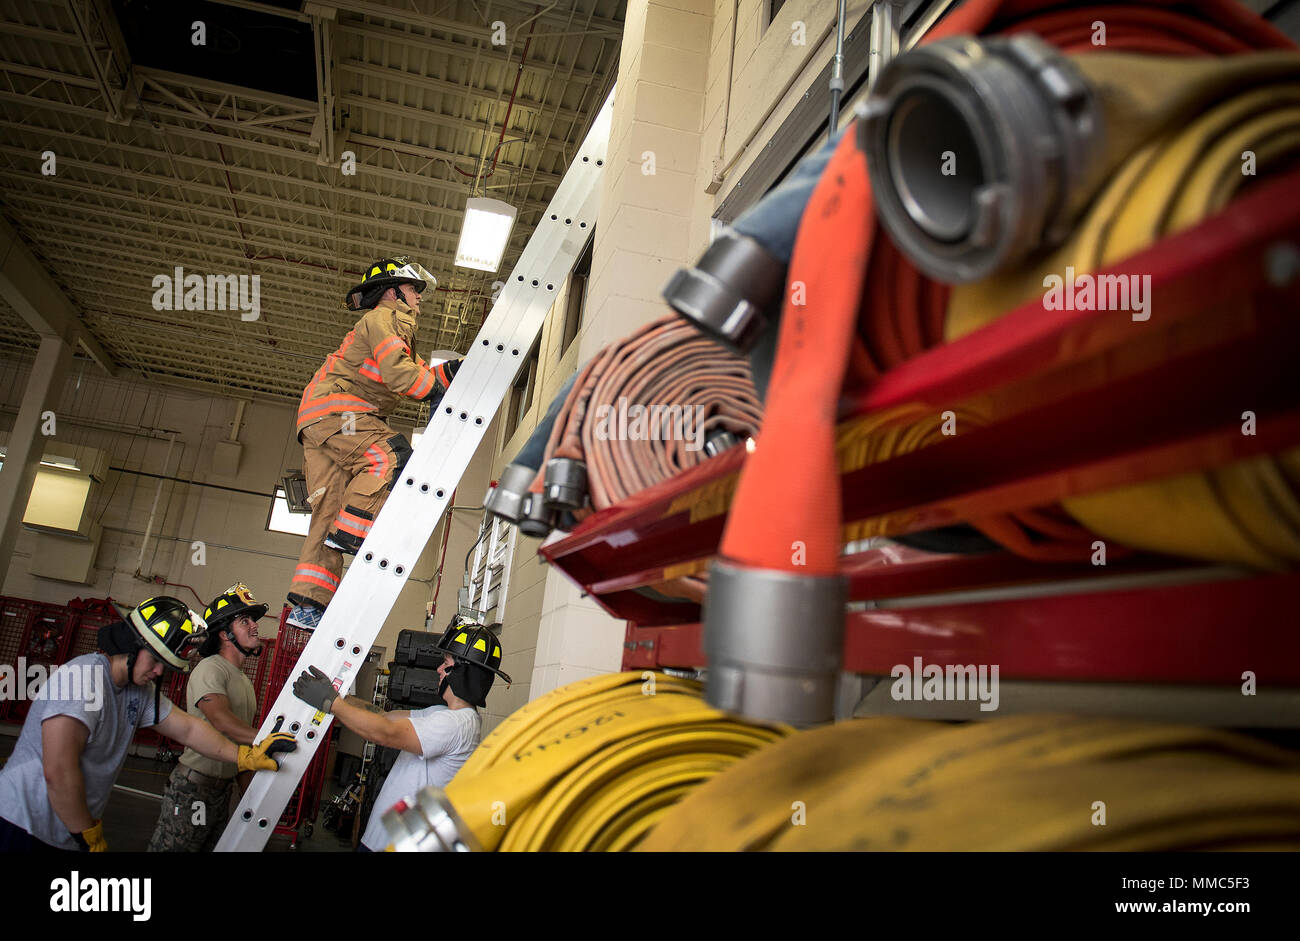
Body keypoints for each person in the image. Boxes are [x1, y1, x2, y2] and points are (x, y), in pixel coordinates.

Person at [0, 596, 296, 852]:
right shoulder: (84, 679)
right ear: (134, 644)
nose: (157, 672)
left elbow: (190, 729)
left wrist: (245, 755)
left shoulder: (139, 693)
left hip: (66, 831)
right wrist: (87, 834)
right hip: (21, 823)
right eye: (155, 661)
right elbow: (59, 770)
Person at [286, 257, 465, 630]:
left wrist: (451, 372)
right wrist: (433, 385)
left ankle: (308, 604)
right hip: (340, 413)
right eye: (415, 290)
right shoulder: (383, 319)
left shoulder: (386, 330)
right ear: (393, 291)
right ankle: (350, 536)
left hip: (319, 419)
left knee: (326, 512)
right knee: (389, 457)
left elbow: (414, 369)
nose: (419, 298)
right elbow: (406, 379)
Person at [291, 620, 510, 851]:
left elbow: (385, 733)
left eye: (445, 663)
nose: (438, 670)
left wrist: (331, 704)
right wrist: (341, 698)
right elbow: (386, 718)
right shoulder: (443, 714)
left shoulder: (455, 724)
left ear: (461, 673)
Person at [146, 584, 269, 852]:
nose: (254, 626)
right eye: (244, 621)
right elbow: (221, 720)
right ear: (225, 634)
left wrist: (252, 798)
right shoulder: (210, 667)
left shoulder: (244, 682)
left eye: (253, 621)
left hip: (221, 792)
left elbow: (243, 746)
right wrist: (268, 740)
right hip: (194, 790)